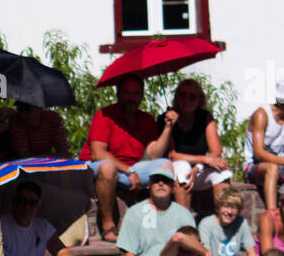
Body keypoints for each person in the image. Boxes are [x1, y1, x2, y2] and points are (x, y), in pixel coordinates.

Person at [79, 75, 176, 241]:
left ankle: (165, 224)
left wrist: (168, 127)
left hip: (130, 168)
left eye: (136, 93)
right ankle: (108, 227)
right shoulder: (105, 115)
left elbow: (154, 155)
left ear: (141, 96)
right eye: (127, 93)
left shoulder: (146, 119)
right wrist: (129, 171)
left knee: (166, 165)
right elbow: (98, 153)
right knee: (108, 167)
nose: (131, 98)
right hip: (96, 166)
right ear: (118, 95)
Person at [116, 163, 195, 256]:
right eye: (156, 180)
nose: (161, 183)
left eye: (165, 181)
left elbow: (193, 249)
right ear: (149, 186)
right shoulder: (135, 213)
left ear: (173, 187)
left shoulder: (183, 214)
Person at [157, 78, 231, 206]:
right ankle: (185, 223)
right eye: (182, 95)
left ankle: (224, 218)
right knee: (182, 167)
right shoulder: (167, 118)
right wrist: (204, 159)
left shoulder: (205, 117)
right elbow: (172, 155)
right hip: (175, 171)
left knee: (222, 171)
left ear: (199, 101)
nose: (187, 100)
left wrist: (198, 167)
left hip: (199, 169)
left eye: (192, 97)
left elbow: (216, 151)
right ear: (176, 98)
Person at [199, 187, 258, 256]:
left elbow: (253, 255)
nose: (229, 212)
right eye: (226, 206)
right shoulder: (207, 224)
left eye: (234, 208)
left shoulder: (241, 222)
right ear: (218, 208)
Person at [243, 75, 284, 211]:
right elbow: (259, 153)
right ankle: (272, 215)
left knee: (275, 167)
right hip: (253, 167)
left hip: (279, 167)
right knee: (272, 168)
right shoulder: (262, 114)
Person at [5, 102, 69, 160]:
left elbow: (64, 151)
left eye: (27, 109)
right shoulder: (16, 121)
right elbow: (24, 155)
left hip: (46, 164)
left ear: (39, 108)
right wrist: (51, 156)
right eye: (20, 109)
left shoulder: (53, 119)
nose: (23, 113)